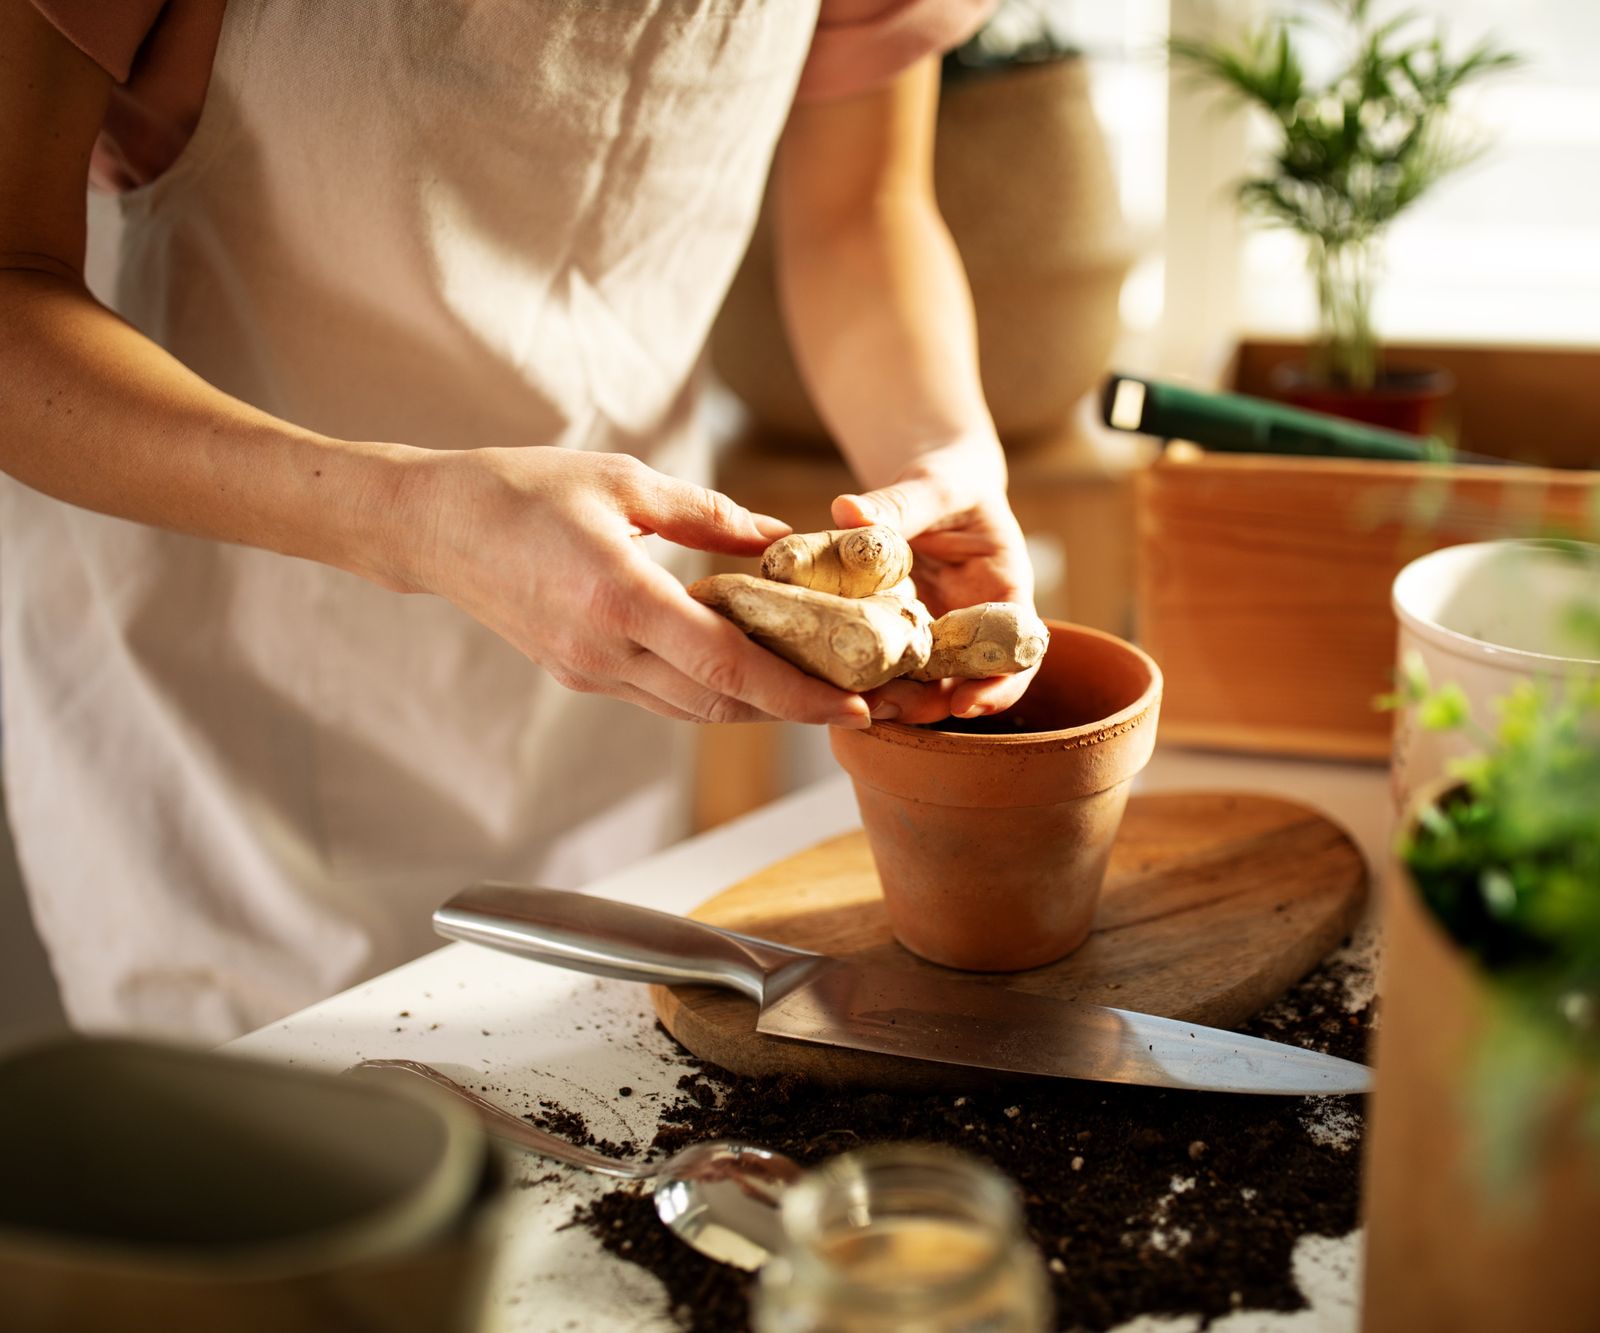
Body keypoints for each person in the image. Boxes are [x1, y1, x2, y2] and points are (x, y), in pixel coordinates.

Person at [0, 0, 1038, 1041]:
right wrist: (415, 520)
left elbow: (854, 209)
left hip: (606, 657)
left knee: (568, 1076)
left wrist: (942, 449)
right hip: (215, 660)